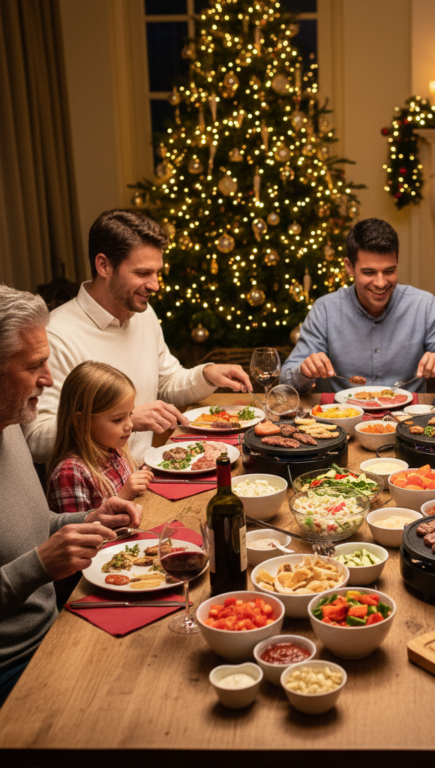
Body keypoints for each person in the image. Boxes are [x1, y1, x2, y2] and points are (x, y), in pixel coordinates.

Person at [0, 285, 142, 706]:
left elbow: (35, 524)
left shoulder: (10, 426)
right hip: (13, 663)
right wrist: (39, 564)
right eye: (34, 365)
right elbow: (32, 557)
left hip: (55, 628)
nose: (48, 379)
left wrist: (89, 518)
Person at [23, 210, 253, 464]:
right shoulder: (56, 334)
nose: (155, 285)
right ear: (103, 266)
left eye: (157, 273)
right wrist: (126, 419)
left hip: (148, 469)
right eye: (142, 273)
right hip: (96, 485)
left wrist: (206, 374)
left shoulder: (142, 313)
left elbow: (166, 383)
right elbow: (36, 439)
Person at [280, 218, 435, 393]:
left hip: (408, 415)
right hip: (345, 414)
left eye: (389, 271)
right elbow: (286, 379)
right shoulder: (325, 310)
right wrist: (304, 372)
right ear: (349, 267)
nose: (381, 283)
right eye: (369, 272)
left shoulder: (424, 306)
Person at [47, 361, 153, 515]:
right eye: (117, 419)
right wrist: (124, 496)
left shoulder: (113, 449)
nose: (130, 425)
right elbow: (82, 528)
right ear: (81, 421)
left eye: (130, 414)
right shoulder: (70, 473)